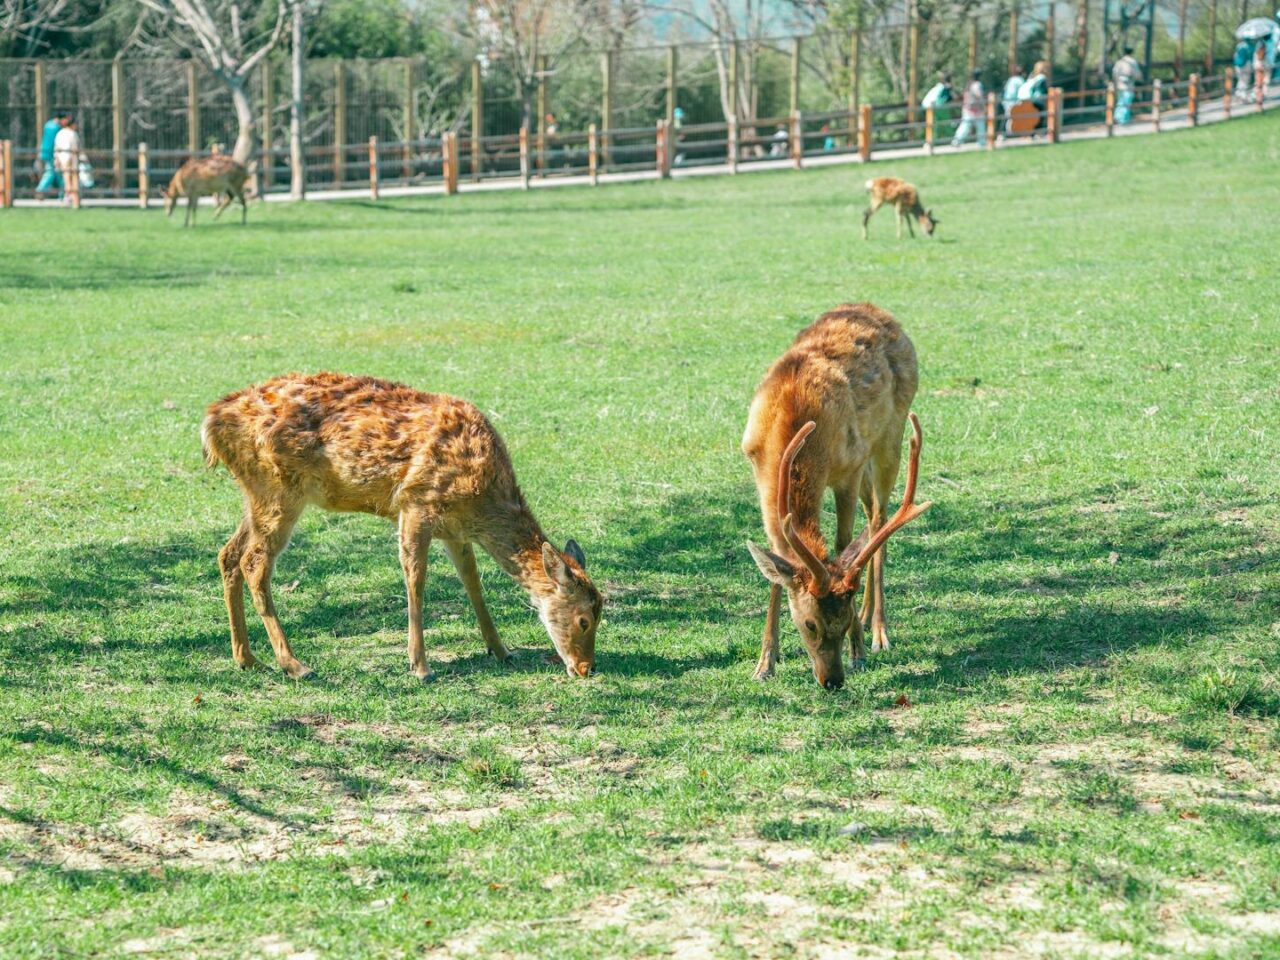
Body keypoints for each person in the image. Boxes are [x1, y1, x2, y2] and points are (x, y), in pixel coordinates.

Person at [35, 112, 69, 199]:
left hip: (45, 152)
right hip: (52, 154)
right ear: (62, 118)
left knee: (57, 174)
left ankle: (62, 194)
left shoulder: (48, 124)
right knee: (51, 172)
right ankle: (41, 190)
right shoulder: (57, 128)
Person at [952, 70, 986, 148]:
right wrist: (984, 105)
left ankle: (957, 141)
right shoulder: (977, 85)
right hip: (975, 109)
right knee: (979, 126)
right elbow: (979, 96)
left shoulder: (969, 84)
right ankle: (982, 142)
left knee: (965, 126)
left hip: (968, 108)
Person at [1018, 60, 1051, 136]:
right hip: (1037, 100)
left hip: (1029, 99)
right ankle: (1037, 133)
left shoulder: (1033, 77)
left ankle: (1031, 133)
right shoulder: (1042, 78)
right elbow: (1042, 89)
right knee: (1039, 117)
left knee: (1032, 117)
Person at [53, 117, 81, 203]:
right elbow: (75, 146)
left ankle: (67, 196)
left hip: (62, 158)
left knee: (66, 178)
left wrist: (56, 158)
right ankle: (73, 197)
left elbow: (56, 147)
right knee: (73, 178)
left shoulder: (60, 133)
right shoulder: (73, 134)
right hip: (72, 158)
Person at [1112, 46, 1142, 125]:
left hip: (1119, 84)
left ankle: (1117, 117)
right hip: (1129, 85)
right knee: (1126, 102)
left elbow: (1115, 73)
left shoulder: (1119, 62)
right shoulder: (1132, 62)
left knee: (1121, 101)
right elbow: (1137, 74)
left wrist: (1116, 82)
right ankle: (1123, 120)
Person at [1001, 65, 1024, 137]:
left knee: (1008, 117)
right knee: (1015, 118)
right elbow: (1023, 90)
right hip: (1015, 102)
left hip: (1006, 101)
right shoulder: (1020, 80)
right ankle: (1011, 133)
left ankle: (1003, 134)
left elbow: (1005, 89)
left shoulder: (1010, 79)